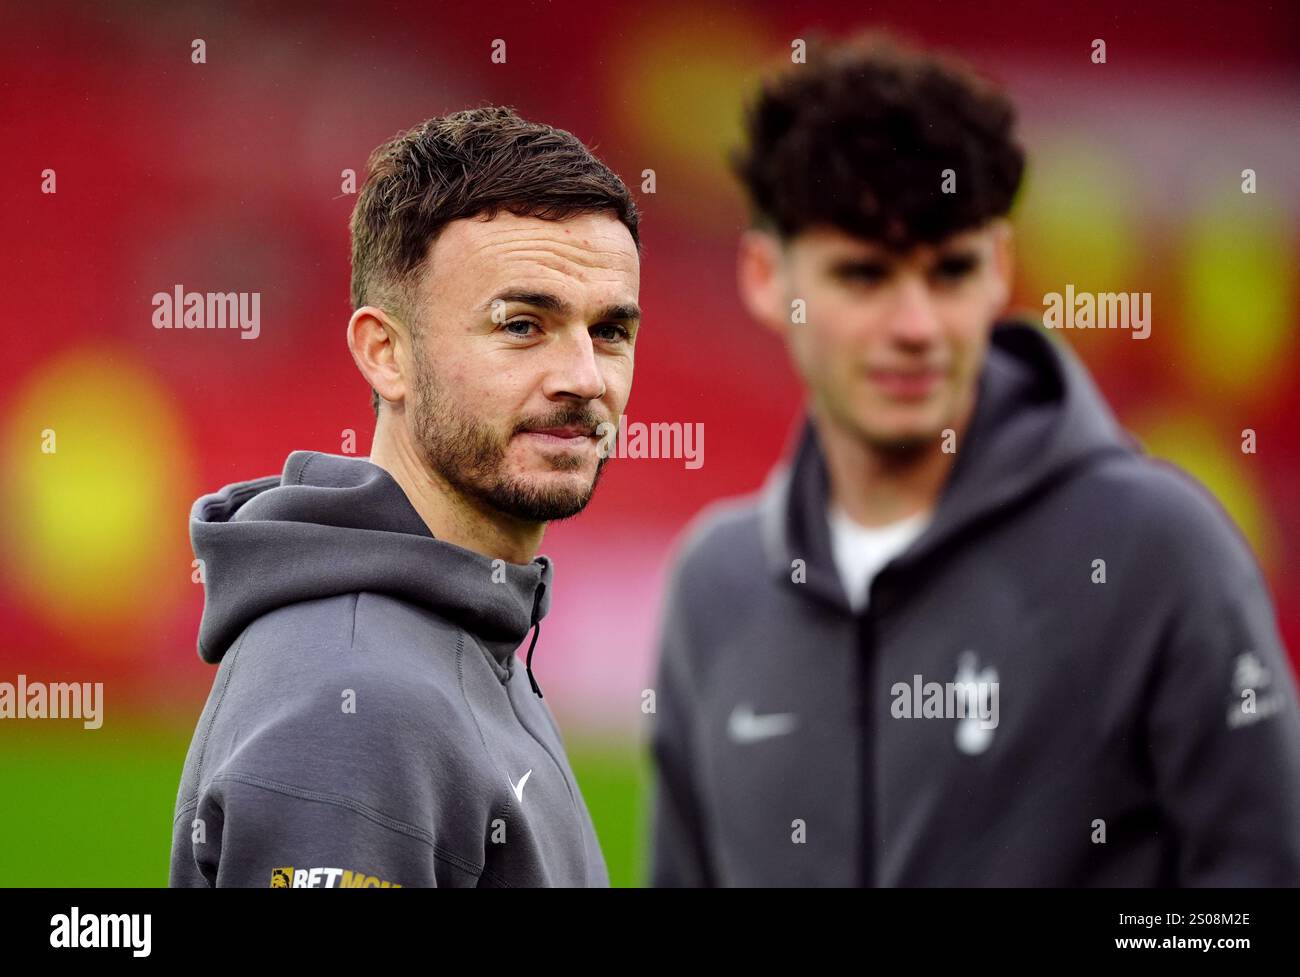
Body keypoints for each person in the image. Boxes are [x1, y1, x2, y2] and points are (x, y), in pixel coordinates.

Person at [647, 33, 1300, 886]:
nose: (915, 324)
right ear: (768, 278)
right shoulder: (716, 583)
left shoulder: (1158, 548)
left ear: (1000, 270)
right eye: (865, 275)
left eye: (949, 271)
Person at [169, 106, 642, 887]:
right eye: (524, 325)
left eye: (611, 330)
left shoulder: (475, 632)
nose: (585, 378)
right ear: (386, 354)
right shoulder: (357, 699)